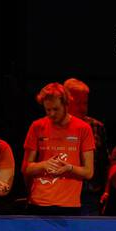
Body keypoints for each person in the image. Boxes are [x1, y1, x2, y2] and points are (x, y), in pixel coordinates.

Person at [23, 83, 95, 215]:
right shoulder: (37, 127)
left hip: (70, 205)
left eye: (56, 109)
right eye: (47, 110)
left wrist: (69, 168)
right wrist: (44, 165)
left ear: (66, 105)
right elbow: (26, 168)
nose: (51, 114)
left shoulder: (83, 129)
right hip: (39, 203)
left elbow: (89, 172)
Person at [65, 79, 108, 216]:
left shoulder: (96, 127)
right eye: (78, 103)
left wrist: (105, 191)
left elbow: (105, 163)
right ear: (65, 101)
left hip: (89, 196)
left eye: (85, 103)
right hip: (61, 195)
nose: (83, 108)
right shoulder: (53, 127)